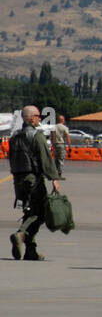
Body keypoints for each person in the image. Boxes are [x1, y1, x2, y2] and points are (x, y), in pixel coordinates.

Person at [8, 106, 62, 261]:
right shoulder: (37, 136)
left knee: (29, 212)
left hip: (18, 181)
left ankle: (30, 251)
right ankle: (21, 234)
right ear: (31, 118)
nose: (40, 118)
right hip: (34, 180)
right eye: (38, 116)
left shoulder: (14, 137)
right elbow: (46, 159)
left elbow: (11, 158)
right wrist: (54, 178)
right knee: (40, 212)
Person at [50, 113, 71, 179]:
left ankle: (55, 173)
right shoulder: (65, 128)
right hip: (61, 145)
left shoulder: (53, 127)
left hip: (55, 144)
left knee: (55, 159)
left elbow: (51, 137)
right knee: (61, 159)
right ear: (62, 120)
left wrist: (52, 145)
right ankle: (59, 174)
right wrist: (69, 145)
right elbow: (67, 136)